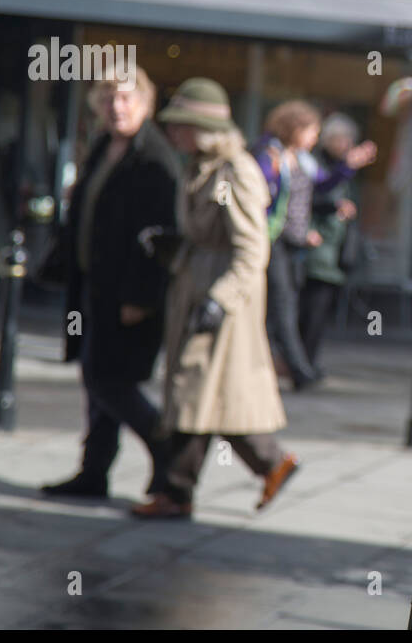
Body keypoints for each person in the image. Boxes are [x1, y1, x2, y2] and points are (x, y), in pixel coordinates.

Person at [131, 78, 299, 519]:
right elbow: (205, 235)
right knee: (206, 396)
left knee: (194, 392)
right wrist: (174, 246)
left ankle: (177, 493)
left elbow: (252, 249)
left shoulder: (235, 171)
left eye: (180, 125)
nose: (172, 133)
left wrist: (220, 300)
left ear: (202, 128)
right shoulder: (199, 166)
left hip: (223, 298)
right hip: (194, 287)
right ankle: (268, 464)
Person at [41, 66, 180, 500]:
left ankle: (166, 449)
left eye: (125, 98)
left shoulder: (155, 157)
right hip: (91, 286)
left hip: (127, 294)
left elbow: (162, 237)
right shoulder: (103, 147)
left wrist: (141, 296)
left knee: (110, 381)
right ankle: (94, 471)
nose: (116, 107)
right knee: (93, 376)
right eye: (107, 98)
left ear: (145, 103)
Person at [251, 101, 375, 390]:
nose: (314, 138)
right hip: (271, 241)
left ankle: (285, 366)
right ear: (294, 129)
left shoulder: (303, 159)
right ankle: (299, 370)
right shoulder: (269, 154)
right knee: (282, 307)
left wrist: (348, 166)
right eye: (311, 131)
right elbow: (261, 195)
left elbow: (322, 187)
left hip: (293, 245)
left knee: (281, 307)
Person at [298, 113, 363, 379]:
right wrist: (336, 206)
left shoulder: (342, 171)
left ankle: (306, 362)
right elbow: (316, 194)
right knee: (308, 312)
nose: (346, 144)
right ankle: (301, 365)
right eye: (341, 139)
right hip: (316, 251)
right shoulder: (319, 165)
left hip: (333, 253)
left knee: (319, 314)